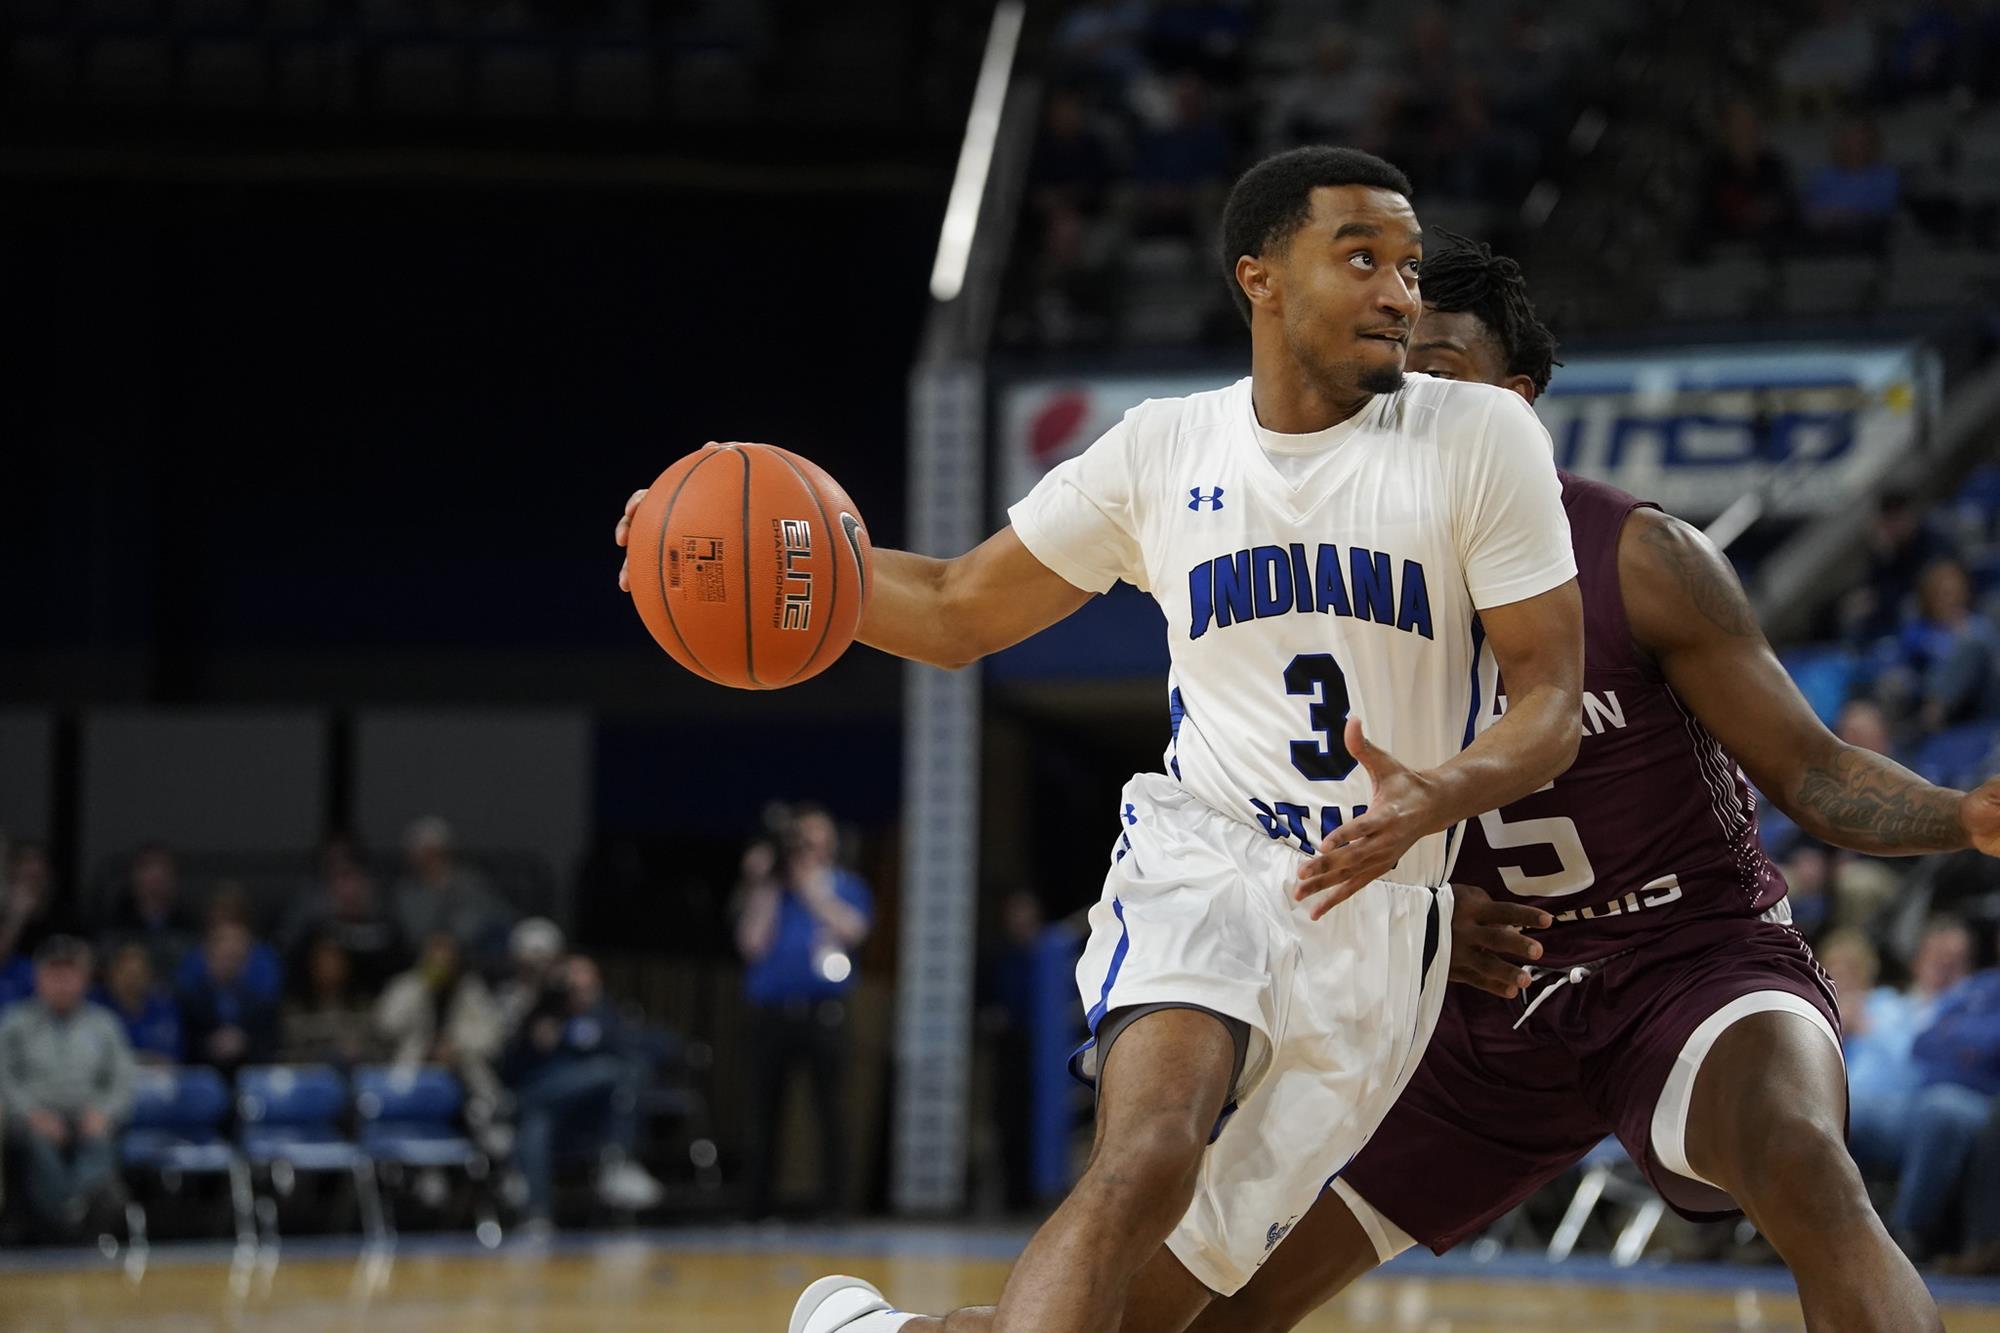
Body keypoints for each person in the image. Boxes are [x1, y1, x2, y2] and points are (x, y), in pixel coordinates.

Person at [621, 146, 1588, 1333]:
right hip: (1209, 856)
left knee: (1141, 1319)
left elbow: (1548, 701)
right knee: (1146, 1152)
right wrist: (732, 558)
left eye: (1407, 265)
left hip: (1380, 918)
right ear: (1258, 276)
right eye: (1360, 259)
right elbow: (957, 609)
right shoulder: (1162, 449)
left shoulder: (1480, 437)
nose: (1398, 292)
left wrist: (1437, 793)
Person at [1178, 236, 2000, 1333]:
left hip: (1688, 961)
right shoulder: (1320, 596)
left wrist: (1963, 814)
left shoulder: (1640, 556)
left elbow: (1811, 772)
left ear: (1514, 404)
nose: (1407, 403)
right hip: (1470, 1010)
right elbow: (1274, 835)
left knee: (1803, 1162)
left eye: (1441, 374)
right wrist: (1420, 914)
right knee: (1210, 1297)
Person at [736, 805, 874, 1220]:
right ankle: (757, 1205)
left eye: (814, 840)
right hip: (773, 1011)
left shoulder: (844, 885)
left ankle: (835, 1205)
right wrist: (763, 885)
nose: (806, 848)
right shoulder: (772, 890)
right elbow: (751, 944)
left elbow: (854, 929)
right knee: (763, 1109)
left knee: (830, 1108)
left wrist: (809, 887)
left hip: (823, 1012)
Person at [499, 953, 663, 1234]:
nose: (581, 988)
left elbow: (645, 1050)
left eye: (588, 982)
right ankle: (618, 1163)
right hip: (540, 1094)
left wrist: (577, 1030)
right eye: (573, 983)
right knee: (539, 1108)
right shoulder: (540, 1013)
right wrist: (535, 1037)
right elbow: (510, 1069)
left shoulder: (605, 1016)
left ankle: (535, 1208)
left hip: (579, 1114)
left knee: (537, 1121)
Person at [0, 937, 135, 1238]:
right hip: (34, 1119)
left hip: (89, 1116)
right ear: (38, 979)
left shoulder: (104, 1024)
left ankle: (70, 1211)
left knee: (102, 1141)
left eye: (69, 975)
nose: (62, 984)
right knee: (37, 1146)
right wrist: (31, 1114)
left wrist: (104, 1112)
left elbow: (122, 1078)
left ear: (84, 979)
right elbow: (4, 1077)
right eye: (54, 975)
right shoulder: (16, 1023)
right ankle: (73, 1213)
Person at [375, 932, 504, 1117]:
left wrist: (456, 1046)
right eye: (434, 959)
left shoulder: (470, 990)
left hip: (461, 1071)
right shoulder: (406, 986)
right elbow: (387, 1026)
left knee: (482, 1102)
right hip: (413, 1066)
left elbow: (492, 1037)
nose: (441, 965)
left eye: (447, 959)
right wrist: (422, 989)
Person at [392, 816, 515, 965]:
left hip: (473, 955)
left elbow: (493, 914)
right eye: (420, 853)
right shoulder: (407, 891)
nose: (431, 859)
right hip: (425, 959)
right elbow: (414, 931)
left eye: (435, 852)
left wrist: (455, 939)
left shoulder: (470, 881)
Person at [177, 918, 281, 1077]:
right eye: (225, 956)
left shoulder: (260, 1002)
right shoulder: (189, 1000)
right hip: (201, 1074)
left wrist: (245, 1043)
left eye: (236, 957)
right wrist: (210, 1045)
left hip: (248, 1074)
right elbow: (181, 1045)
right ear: (208, 955)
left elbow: (269, 1046)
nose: (230, 964)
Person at [280, 934, 384, 1068]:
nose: (330, 966)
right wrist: (327, 1055)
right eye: (323, 961)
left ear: (347, 965)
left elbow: (378, 1052)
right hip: (312, 1076)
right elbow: (291, 1055)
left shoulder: (363, 1005)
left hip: (358, 1073)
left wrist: (357, 1052)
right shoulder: (296, 1008)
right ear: (312, 966)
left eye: (336, 960)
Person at [106, 844, 199, 984]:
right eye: (148, 869)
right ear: (134, 876)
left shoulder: (190, 923)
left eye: (163, 870)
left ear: (174, 878)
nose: (156, 877)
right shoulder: (114, 922)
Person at [95, 940, 182, 1065]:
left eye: (138, 973)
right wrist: (143, 1059)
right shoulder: (97, 1009)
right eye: (127, 973)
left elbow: (176, 1054)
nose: (132, 981)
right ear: (111, 974)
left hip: (165, 1074)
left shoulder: (163, 1007)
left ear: (149, 975)